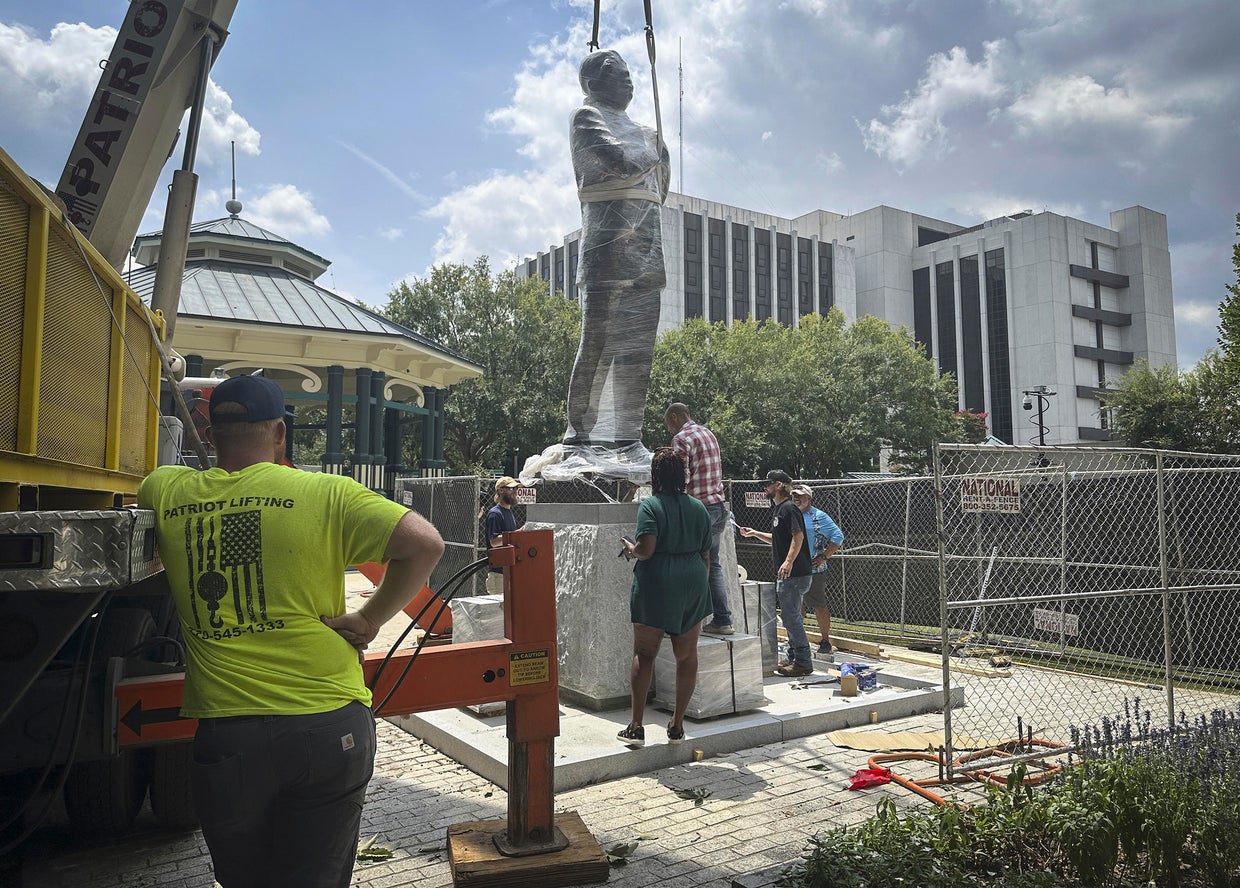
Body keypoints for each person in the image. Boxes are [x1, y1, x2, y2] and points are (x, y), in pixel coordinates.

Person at [137, 374, 444, 888]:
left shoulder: (165, 491)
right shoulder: (324, 493)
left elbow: (153, 483)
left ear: (209, 435)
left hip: (228, 736)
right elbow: (425, 543)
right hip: (328, 727)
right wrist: (370, 620)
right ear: (280, 433)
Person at [563, 49, 670, 447]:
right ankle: (581, 433)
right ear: (591, 84)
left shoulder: (646, 131)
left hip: (648, 253)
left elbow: (660, 186)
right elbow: (621, 161)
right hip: (606, 256)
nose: (628, 80)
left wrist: (655, 147)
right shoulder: (586, 117)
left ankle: (628, 436)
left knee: (638, 353)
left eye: (630, 74)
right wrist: (655, 147)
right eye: (616, 73)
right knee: (598, 344)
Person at [617, 448, 712, 748]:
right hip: (694, 581)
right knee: (687, 655)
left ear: (655, 476)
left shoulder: (650, 506)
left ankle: (636, 728)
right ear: (682, 476)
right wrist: (697, 584)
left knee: (645, 655)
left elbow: (646, 549)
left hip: (657, 583)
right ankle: (677, 726)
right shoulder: (699, 507)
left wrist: (630, 549)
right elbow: (706, 555)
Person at [664, 402, 732, 635]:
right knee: (712, 565)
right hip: (718, 506)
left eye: (668, 424)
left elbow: (680, 479)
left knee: (687, 564)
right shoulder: (707, 433)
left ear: (674, 417)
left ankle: (685, 623)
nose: (669, 430)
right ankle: (723, 620)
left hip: (697, 510)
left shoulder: (681, 439)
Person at [738, 470, 814, 677]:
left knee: (790, 618)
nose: (765, 488)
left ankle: (804, 662)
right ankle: (792, 658)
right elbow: (778, 539)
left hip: (795, 574)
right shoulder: (780, 509)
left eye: (768, 484)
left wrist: (788, 562)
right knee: (790, 617)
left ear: (778, 485)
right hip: (791, 574)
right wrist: (754, 533)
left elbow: (797, 536)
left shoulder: (788, 508)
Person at [789, 484, 843, 656]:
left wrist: (824, 557)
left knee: (818, 605)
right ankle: (797, 640)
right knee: (796, 606)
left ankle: (825, 640)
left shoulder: (818, 517)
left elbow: (838, 536)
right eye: (794, 496)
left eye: (801, 496)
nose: (797, 499)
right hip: (793, 568)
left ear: (809, 498)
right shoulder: (790, 514)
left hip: (814, 571)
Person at [484, 476, 521, 593]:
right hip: (498, 574)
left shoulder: (509, 513)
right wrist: (517, 534)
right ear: (500, 490)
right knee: (501, 611)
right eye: (511, 489)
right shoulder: (495, 514)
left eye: (516, 488)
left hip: (509, 572)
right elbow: (494, 542)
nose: (515, 492)